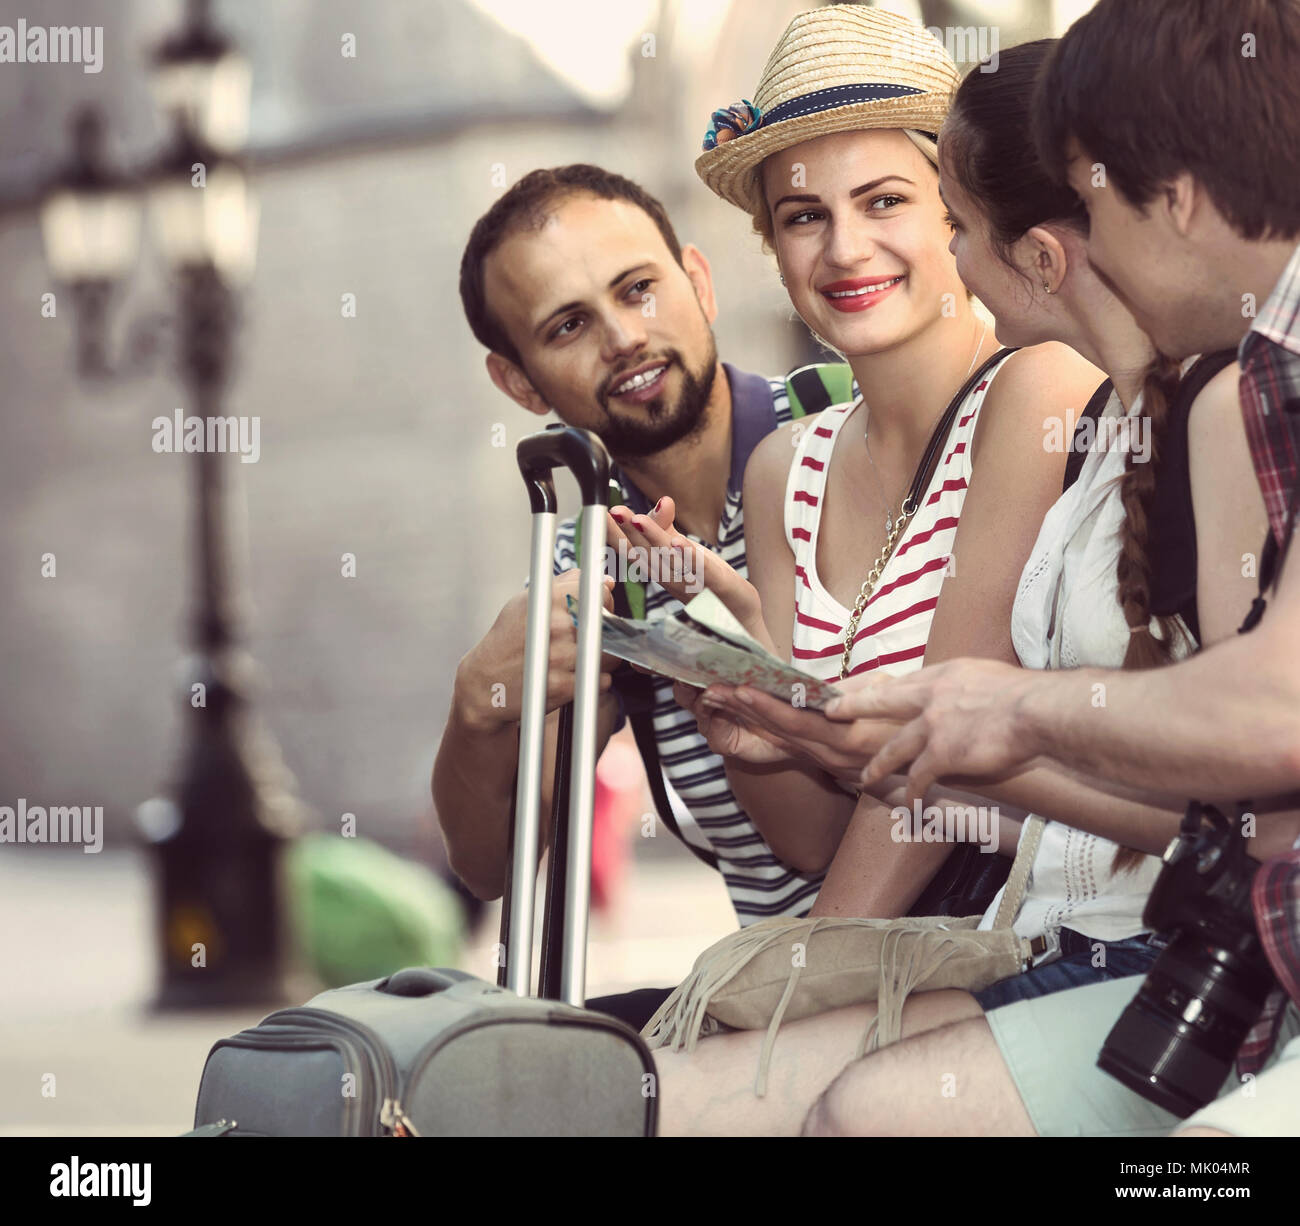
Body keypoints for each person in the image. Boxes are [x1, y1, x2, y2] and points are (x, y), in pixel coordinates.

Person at [652, 27, 1294, 1136]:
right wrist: (828, 728)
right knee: (655, 1089)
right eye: (803, 215)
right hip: (1077, 942)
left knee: (815, 1106)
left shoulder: (1162, 398)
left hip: (1171, 961)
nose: (866, 247)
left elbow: (1242, 785)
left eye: (932, 216)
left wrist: (983, 728)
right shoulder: (1122, 424)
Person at [608, 4, 1098, 926]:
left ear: (957, 210)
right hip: (879, 936)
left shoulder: (1039, 387)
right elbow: (815, 838)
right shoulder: (783, 466)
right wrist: (738, 651)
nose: (843, 248)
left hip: (1025, 936)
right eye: (803, 216)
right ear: (773, 249)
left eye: (884, 200)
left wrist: (799, 980)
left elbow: (946, 754)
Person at [433, 163, 851, 974]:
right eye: (567, 327)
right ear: (518, 382)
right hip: (782, 994)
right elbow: (490, 866)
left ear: (698, 281)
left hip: (943, 958)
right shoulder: (593, 559)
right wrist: (477, 701)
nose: (623, 338)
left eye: (638, 289)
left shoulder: (845, 427)